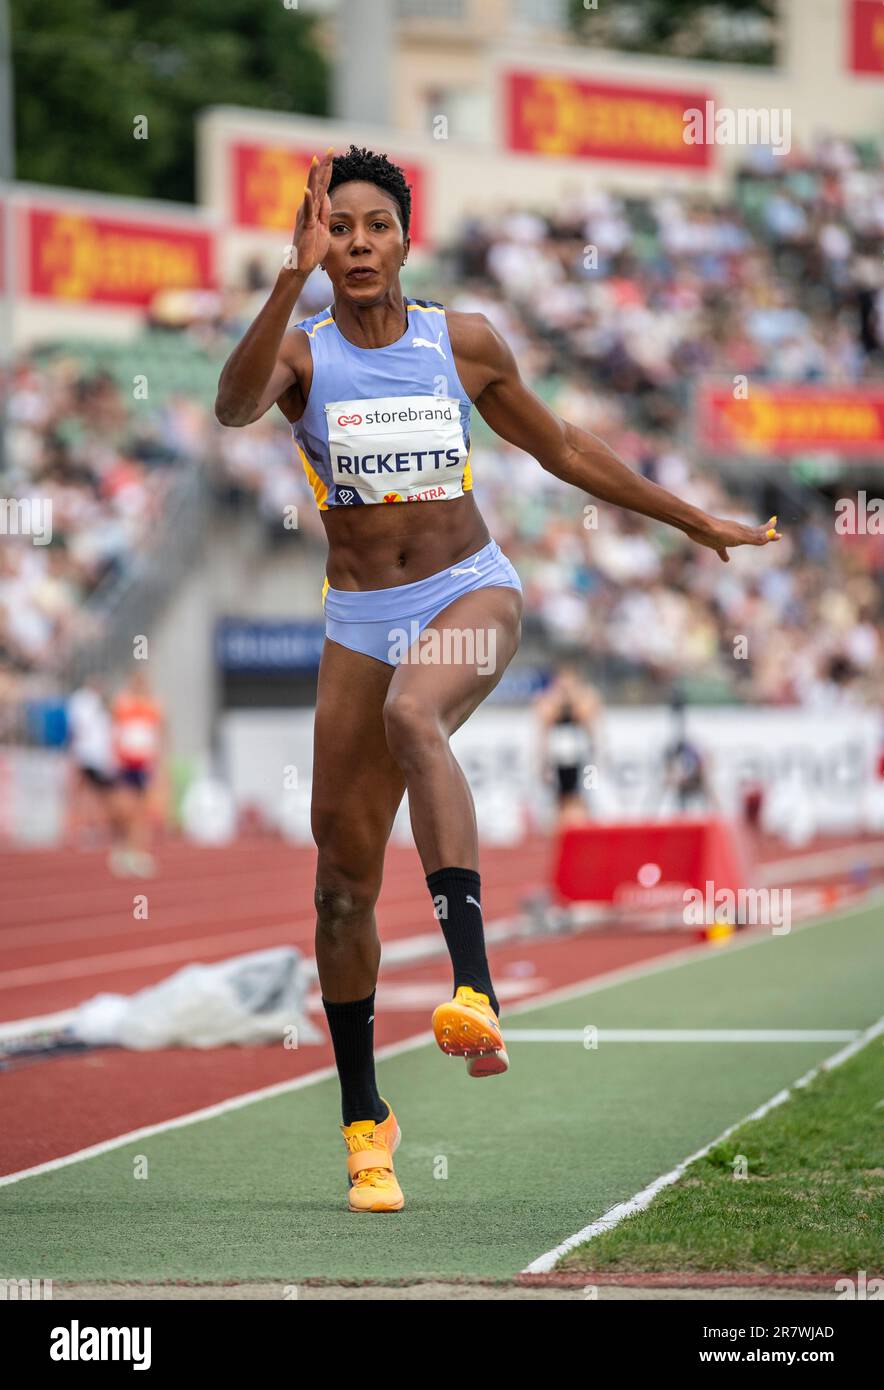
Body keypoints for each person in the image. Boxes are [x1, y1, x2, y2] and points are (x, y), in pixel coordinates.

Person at [215, 144, 781, 1214]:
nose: (358, 244)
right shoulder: (299, 354)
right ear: (317, 240)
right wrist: (286, 280)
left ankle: (472, 986)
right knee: (339, 884)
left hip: (471, 592)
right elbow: (229, 407)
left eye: (375, 226)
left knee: (413, 716)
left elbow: (563, 446)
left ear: (405, 238)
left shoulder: (459, 342)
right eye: (338, 229)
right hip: (359, 617)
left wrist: (688, 518)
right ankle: (363, 1121)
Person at [110, 667, 164, 877]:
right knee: (124, 810)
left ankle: (138, 853)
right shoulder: (122, 703)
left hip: (144, 764)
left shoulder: (154, 705)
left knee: (143, 811)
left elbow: (159, 735)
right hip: (126, 764)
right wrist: (114, 758)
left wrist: (159, 764)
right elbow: (115, 732)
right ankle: (123, 848)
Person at [536, 663, 601, 827]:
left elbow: (587, 717)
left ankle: (584, 827)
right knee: (559, 797)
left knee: (586, 792)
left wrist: (571, 701)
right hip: (559, 757)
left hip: (583, 757)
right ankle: (562, 830)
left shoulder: (586, 697)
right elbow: (545, 721)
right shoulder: (549, 700)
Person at [66, 676, 117, 846]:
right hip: (89, 754)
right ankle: (85, 827)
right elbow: (77, 728)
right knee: (89, 792)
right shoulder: (83, 700)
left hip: (97, 755)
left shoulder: (99, 702)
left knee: (94, 792)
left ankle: (90, 826)